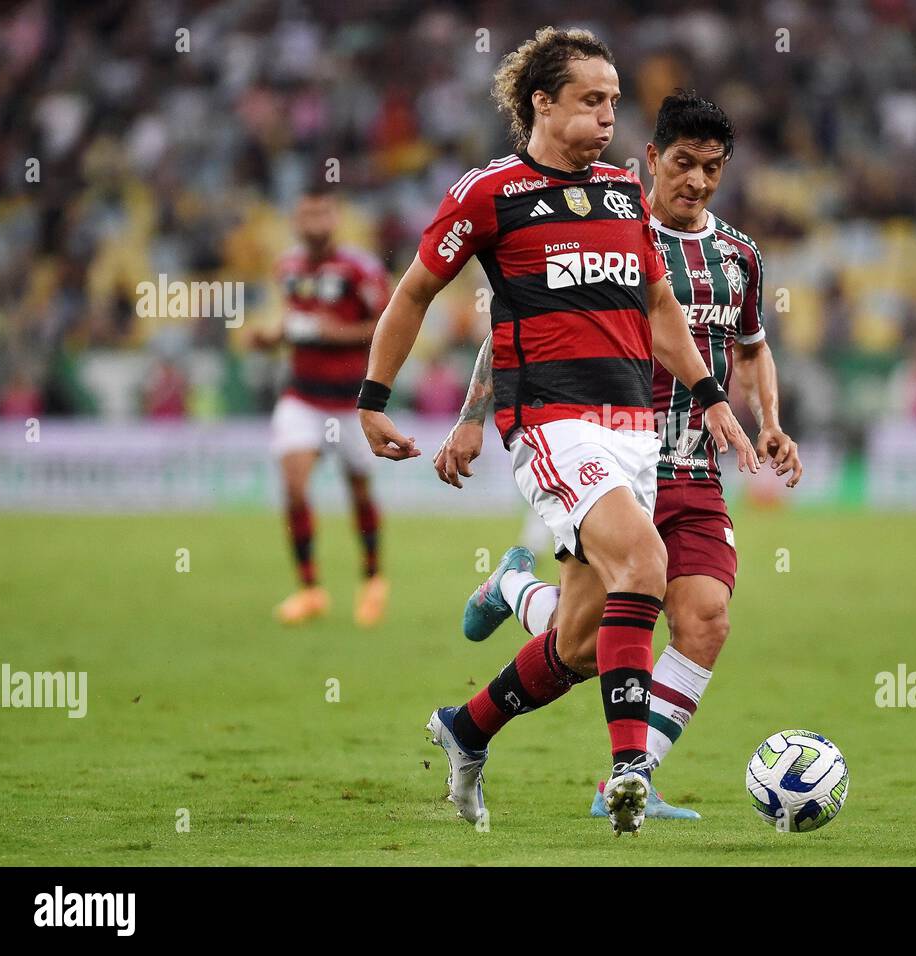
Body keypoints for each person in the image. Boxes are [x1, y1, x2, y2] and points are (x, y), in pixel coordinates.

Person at [355, 29, 757, 834]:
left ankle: (465, 727)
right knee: (646, 563)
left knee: (578, 645)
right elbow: (413, 295)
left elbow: (656, 309)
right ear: (542, 101)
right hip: (551, 424)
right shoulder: (489, 193)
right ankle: (628, 772)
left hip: (634, 433)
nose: (610, 116)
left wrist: (712, 393)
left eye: (614, 100)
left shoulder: (619, 195)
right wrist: (374, 397)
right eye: (592, 100)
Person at [436, 91, 802, 821]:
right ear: (653, 161)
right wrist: (473, 415)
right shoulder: (607, 222)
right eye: (685, 164)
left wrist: (771, 420)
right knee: (578, 650)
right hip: (607, 457)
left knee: (703, 619)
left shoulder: (739, 257)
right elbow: (515, 329)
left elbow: (755, 348)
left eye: (713, 169)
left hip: (694, 470)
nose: (697, 181)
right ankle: (511, 605)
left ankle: (628, 780)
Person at [250, 186, 391, 627]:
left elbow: (389, 326)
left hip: (352, 401)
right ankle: (309, 588)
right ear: (296, 219)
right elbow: (298, 322)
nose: (313, 223)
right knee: (293, 487)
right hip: (302, 396)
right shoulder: (287, 267)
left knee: (359, 490)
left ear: (335, 218)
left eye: (321, 214)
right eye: (306, 214)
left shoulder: (359, 269)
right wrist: (271, 338)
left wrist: (341, 335)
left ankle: (372, 580)